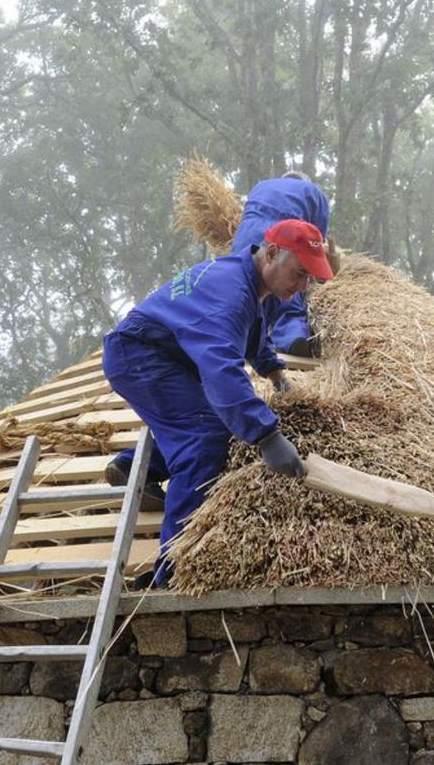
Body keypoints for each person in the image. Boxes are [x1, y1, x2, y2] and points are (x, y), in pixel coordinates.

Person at [101, 220, 334, 587]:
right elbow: (221, 369)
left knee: (209, 415)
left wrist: (274, 374)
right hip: (140, 356)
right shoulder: (229, 293)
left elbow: (251, 334)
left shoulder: (248, 280)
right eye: (301, 273)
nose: (303, 286)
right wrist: (267, 436)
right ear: (272, 253)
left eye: (310, 279)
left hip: (167, 356)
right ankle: (175, 569)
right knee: (204, 434)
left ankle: (136, 465)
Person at [229, 173, 332, 357]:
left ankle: (240, 340)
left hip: (247, 234)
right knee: (289, 290)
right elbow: (317, 241)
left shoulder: (261, 185)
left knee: (245, 290)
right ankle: (294, 339)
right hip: (285, 233)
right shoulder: (314, 192)